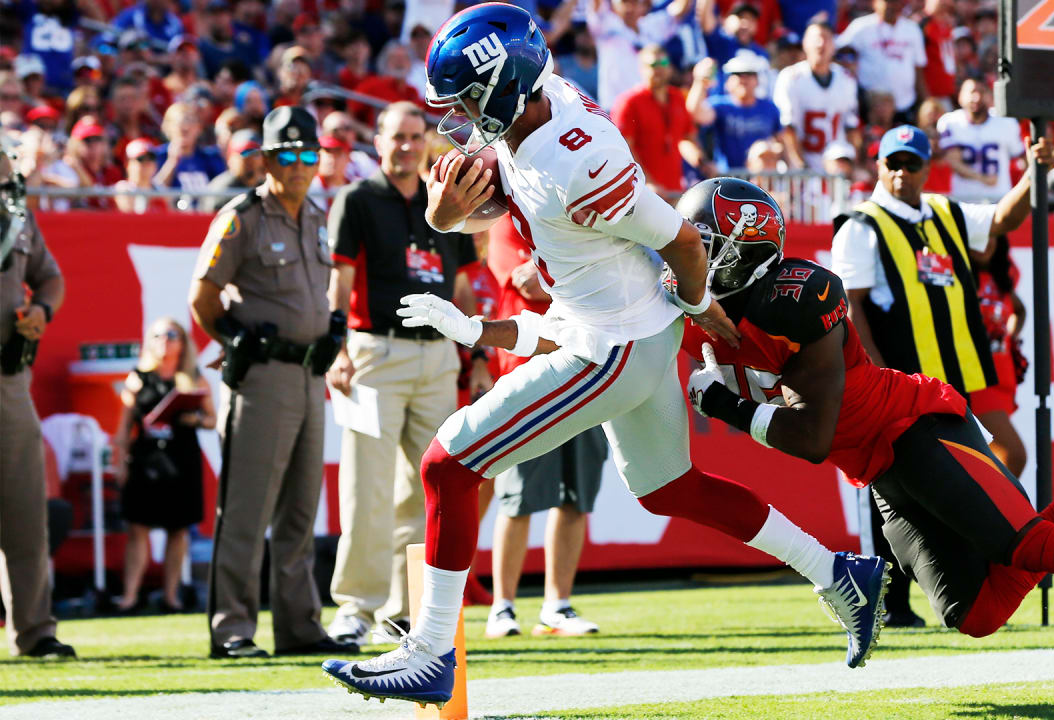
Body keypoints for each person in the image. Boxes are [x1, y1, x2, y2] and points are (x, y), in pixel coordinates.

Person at [322, 5, 886, 706]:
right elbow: (511, 183)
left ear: (503, 87)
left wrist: (693, 302)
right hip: (625, 328)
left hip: (612, 345)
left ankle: (432, 651)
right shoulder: (537, 107)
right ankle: (837, 572)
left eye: (468, 98)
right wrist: (445, 216)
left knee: (448, 465)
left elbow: (680, 241)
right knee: (669, 488)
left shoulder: (578, 157)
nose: (460, 116)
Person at [679, 175, 1054, 693]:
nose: (691, 256)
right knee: (974, 615)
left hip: (912, 425)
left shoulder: (799, 297)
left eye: (706, 244)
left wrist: (723, 402)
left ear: (747, 252)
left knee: (1023, 544)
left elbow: (811, 439)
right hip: (876, 468)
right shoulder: (682, 307)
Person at [832, 125, 1019, 625]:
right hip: (895, 387)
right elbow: (853, 309)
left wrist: (1036, 174)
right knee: (889, 490)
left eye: (911, 163)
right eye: (892, 162)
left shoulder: (945, 212)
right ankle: (887, 601)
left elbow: (1002, 218)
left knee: (959, 480)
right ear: (878, 166)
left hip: (950, 386)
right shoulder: (860, 224)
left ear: (926, 168)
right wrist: (874, 378)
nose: (900, 172)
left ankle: (966, 583)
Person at [188, 106, 356, 660]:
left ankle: (299, 624)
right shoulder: (242, 217)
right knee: (246, 508)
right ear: (265, 158)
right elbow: (203, 296)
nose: (302, 164)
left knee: (301, 510)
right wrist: (235, 340)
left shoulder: (314, 214)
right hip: (261, 377)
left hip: (310, 375)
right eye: (289, 154)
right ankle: (232, 628)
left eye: (311, 153)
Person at [323, 101, 490, 647]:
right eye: (397, 136)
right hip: (373, 353)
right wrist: (337, 347)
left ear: (426, 142)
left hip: (439, 357)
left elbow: (462, 287)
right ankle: (356, 606)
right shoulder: (356, 199)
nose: (407, 146)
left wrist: (480, 355)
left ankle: (406, 606)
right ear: (378, 141)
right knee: (365, 485)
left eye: (416, 137)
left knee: (428, 488)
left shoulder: (443, 200)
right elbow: (339, 283)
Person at [483, 218, 609, 639]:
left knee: (575, 494)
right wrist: (576, 272)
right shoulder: (507, 220)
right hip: (528, 373)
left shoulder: (575, 217)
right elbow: (525, 284)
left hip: (586, 366)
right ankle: (502, 607)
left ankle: (558, 606)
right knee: (517, 497)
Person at [0, 145, 74, 659]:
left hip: (9, 378)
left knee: (26, 509)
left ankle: (35, 629)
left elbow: (50, 275)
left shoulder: (18, 220)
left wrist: (43, 308)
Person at [112, 317, 216, 613]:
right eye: (158, 335)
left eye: (172, 335)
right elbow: (124, 426)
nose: (165, 341)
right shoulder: (138, 377)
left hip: (181, 461)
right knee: (138, 527)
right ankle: (130, 596)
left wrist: (193, 418)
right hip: (146, 460)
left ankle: (171, 596)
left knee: (178, 529)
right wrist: (121, 463)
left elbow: (212, 419)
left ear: (183, 342)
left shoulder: (193, 378)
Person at [612, 45, 708, 201]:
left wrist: (703, 162)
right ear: (641, 69)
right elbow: (623, 149)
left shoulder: (677, 97)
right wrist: (648, 183)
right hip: (640, 195)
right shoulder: (628, 102)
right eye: (653, 65)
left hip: (673, 192)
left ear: (670, 68)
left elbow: (687, 138)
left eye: (663, 64)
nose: (659, 69)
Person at [967, 236, 1026, 477]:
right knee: (1014, 455)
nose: (986, 243)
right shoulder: (958, 279)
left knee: (983, 466)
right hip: (976, 382)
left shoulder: (1000, 278)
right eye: (978, 237)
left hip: (1002, 382)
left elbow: (1020, 310)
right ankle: (988, 513)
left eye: (992, 237)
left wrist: (1010, 337)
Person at [773, 21, 859, 171]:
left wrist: (852, 163)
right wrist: (800, 166)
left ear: (834, 45)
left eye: (826, 38)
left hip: (836, 160)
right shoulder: (791, 77)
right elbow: (786, 129)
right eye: (815, 38)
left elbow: (851, 128)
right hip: (801, 161)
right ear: (805, 43)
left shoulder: (846, 79)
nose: (820, 44)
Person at [836, 0, 926, 123]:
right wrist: (850, 68)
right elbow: (837, 51)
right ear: (875, 3)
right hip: (870, 107)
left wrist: (925, 101)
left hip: (904, 104)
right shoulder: (861, 27)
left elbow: (918, 70)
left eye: (896, 2)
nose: (892, 6)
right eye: (887, 2)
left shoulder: (912, 29)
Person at [691, 54, 782, 172]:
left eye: (749, 74)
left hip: (761, 179)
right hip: (729, 179)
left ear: (757, 80)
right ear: (727, 82)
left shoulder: (769, 108)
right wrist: (700, 82)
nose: (743, 79)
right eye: (737, 74)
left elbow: (781, 141)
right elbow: (695, 115)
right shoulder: (720, 106)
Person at [937, 79, 1025, 201]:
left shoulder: (1006, 123)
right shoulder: (950, 122)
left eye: (982, 92)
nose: (976, 97)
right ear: (960, 96)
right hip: (964, 199)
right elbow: (954, 162)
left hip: (999, 198)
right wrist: (983, 178)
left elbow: (1022, 158)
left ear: (990, 96)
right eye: (972, 92)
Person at [200, 130, 264, 213]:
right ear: (230, 158)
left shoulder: (265, 186)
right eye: (243, 154)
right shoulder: (221, 190)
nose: (249, 160)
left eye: (254, 154)